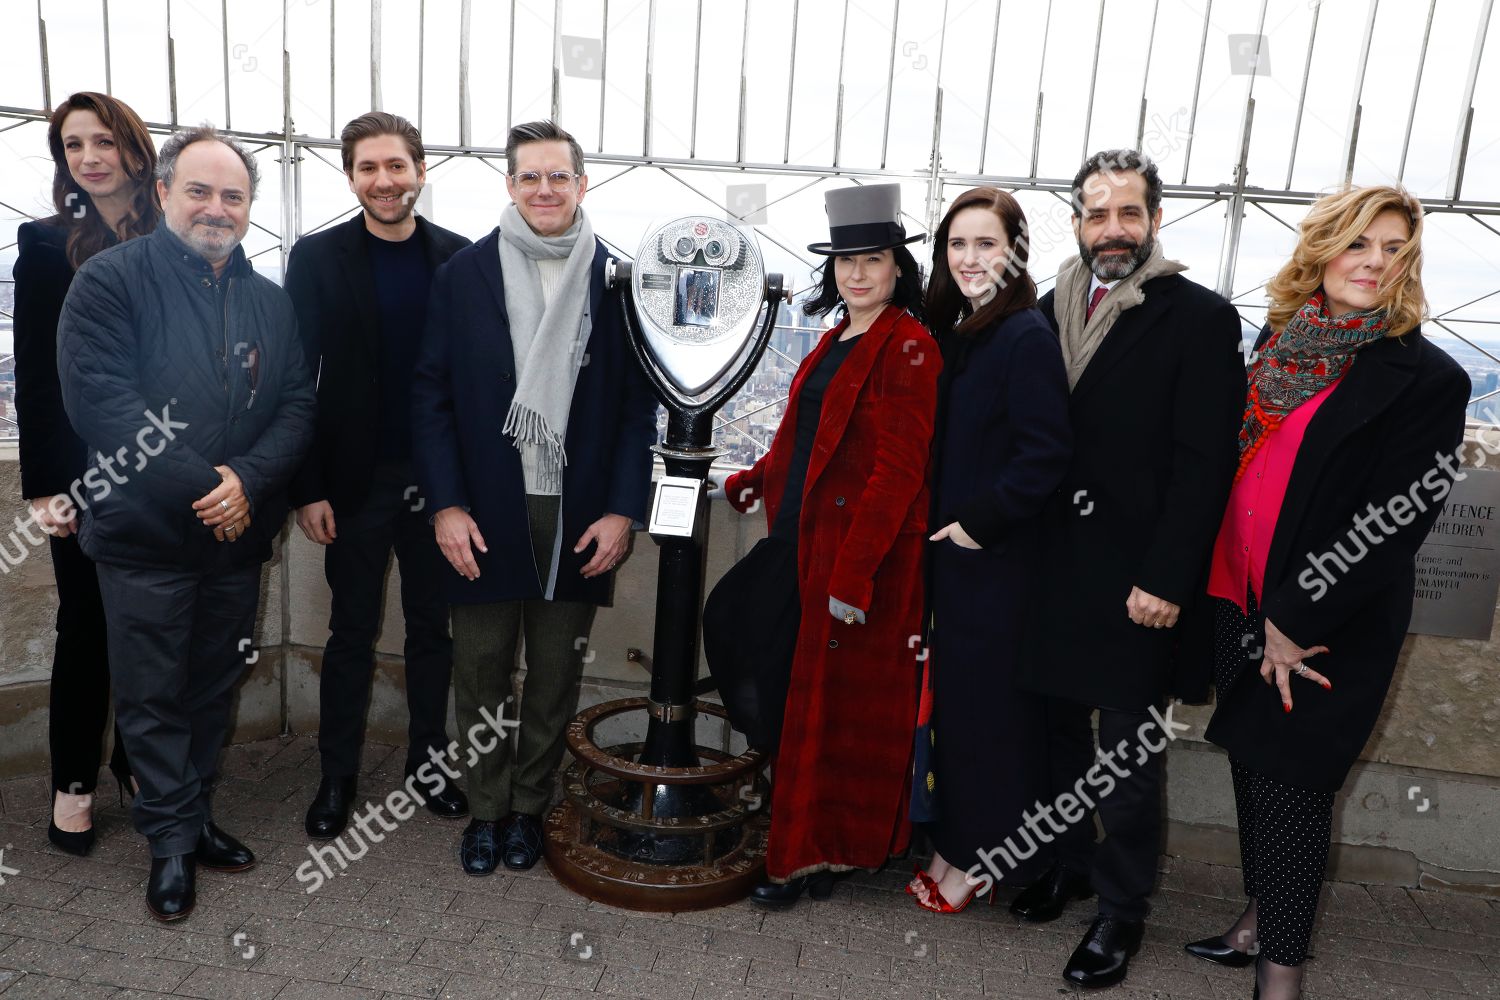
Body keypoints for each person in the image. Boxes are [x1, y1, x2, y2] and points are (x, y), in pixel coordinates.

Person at [1185, 186, 1469, 1000]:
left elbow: (1394, 522)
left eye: (1393, 250)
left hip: (1323, 621)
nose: (1376, 263)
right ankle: (1256, 922)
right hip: (1235, 594)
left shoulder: (1427, 378)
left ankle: (1283, 973)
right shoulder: (1283, 341)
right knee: (1252, 765)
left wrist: (1296, 620)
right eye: (1360, 244)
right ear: (1322, 249)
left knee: (1294, 785)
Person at [56, 124, 316, 921]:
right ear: (163, 192)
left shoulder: (272, 301)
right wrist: (214, 484)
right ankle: (169, 843)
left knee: (211, 686)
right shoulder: (109, 282)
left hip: (233, 542)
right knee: (151, 695)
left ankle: (193, 815)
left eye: (232, 195)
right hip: (143, 537)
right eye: (199, 190)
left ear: (248, 210)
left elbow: (299, 403)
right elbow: (105, 405)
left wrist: (249, 481)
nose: (216, 207)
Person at [1011, 149, 1245, 988]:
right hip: (1051, 569)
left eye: (1130, 213)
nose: (1114, 229)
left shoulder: (1200, 319)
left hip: (1137, 584)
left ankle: (1121, 911)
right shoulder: (1046, 309)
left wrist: (1169, 579)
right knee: (1055, 736)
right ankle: (1072, 864)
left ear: (1154, 220)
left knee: (1128, 759)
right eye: (1097, 213)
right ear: (1075, 223)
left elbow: (1205, 464)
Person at [410, 120, 658, 876]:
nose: (544, 190)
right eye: (529, 177)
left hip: (577, 509)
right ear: (510, 186)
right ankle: (485, 811)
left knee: (555, 671)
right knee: (481, 666)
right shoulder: (463, 274)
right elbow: (431, 395)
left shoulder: (616, 280)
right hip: (486, 504)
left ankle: (527, 807)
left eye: (559, 177)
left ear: (583, 185)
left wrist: (622, 509)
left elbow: (634, 407)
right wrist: (446, 506)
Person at [724, 183, 939, 907]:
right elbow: (806, 432)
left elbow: (900, 471)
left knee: (840, 713)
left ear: (898, 267)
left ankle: (815, 855)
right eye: (846, 260)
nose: (857, 274)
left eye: (872, 260)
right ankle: (812, 842)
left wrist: (852, 575)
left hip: (859, 558)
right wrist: (756, 476)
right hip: (804, 541)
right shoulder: (838, 336)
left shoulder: (909, 346)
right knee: (789, 684)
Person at [286, 112, 472, 840]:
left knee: (434, 630)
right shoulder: (318, 257)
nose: (384, 181)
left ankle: (427, 767)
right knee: (350, 633)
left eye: (396, 166)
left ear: (420, 171)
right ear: (352, 176)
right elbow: (296, 378)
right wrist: (307, 487)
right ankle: (337, 779)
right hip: (352, 480)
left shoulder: (456, 258)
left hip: (437, 482)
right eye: (368, 168)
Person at [907, 187, 1071, 913]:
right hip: (959, 563)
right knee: (959, 713)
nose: (970, 259)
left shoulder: (1024, 335)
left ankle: (980, 861)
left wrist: (979, 524)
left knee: (990, 719)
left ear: (1016, 252)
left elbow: (1046, 453)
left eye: (987, 244)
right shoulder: (966, 327)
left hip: (997, 564)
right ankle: (955, 843)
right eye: (957, 245)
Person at [14, 92, 159, 857]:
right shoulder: (41, 245)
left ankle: (136, 766)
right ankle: (73, 783)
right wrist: (45, 484)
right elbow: (35, 376)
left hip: (166, 471)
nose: (89, 157)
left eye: (103, 141)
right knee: (87, 630)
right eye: (73, 146)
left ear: (135, 149)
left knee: (159, 631)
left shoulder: (177, 234)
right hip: (84, 476)